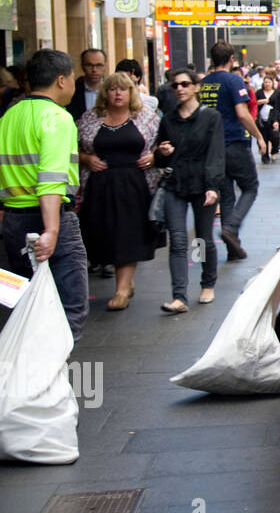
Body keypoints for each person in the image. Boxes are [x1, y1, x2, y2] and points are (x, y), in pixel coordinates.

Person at [0, 49, 88, 340]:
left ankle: (29, 373)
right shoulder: (57, 118)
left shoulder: (10, 116)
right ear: (62, 80)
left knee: (28, 307)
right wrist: (51, 230)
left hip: (14, 222)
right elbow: (50, 179)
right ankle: (52, 377)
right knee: (70, 306)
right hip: (49, 222)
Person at [75, 72, 161, 311]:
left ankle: (122, 289)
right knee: (106, 234)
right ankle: (126, 281)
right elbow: (73, 148)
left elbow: (162, 144)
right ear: (105, 92)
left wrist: (154, 156)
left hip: (135, 184)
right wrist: (86, 158)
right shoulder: (90, 118)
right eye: (112, 89)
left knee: (128, 234)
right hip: (100, 185)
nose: (117, 93)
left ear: (131, 92)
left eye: (122, 89)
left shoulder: (146, 117)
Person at [153, 70, 224, 313]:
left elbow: (216, 154)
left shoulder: (210, 117)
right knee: (178, 240)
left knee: (202, 238)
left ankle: (207, 283)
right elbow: (160, 157)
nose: (180, 89)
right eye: (175, 85)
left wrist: (213, 186)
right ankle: (179, 296)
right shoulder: (168, 119)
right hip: (176, 183)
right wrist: (161, 153)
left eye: (185, 84)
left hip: (202, 183)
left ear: (196, 87)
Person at [199, 41, 265, 261]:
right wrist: (259, 136)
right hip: (233, 142)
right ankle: (232, 227)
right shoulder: (233, 80)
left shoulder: (204, 83)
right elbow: (243, 114)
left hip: (212, 149)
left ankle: (232, 247)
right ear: (230, 59)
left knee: (226, 195)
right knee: (250, 187)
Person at [66, 47, 107, 121]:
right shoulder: (71, 91)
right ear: (82, 66)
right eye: (89, 65)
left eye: (99, 65)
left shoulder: (111, 91)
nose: (94, 70)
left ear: (105, 66)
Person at [255, 73, 280, 164]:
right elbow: (253, 104)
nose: (267, 84)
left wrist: (277, 120)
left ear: (272, 83)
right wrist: (261, 101)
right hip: (261, 119)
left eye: (269, 82)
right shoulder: (259, 93)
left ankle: (274, 150)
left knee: (275, 136)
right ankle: (265, 156)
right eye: (266, 82)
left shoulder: (278, 93)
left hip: (273, 118)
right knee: (263, 137)